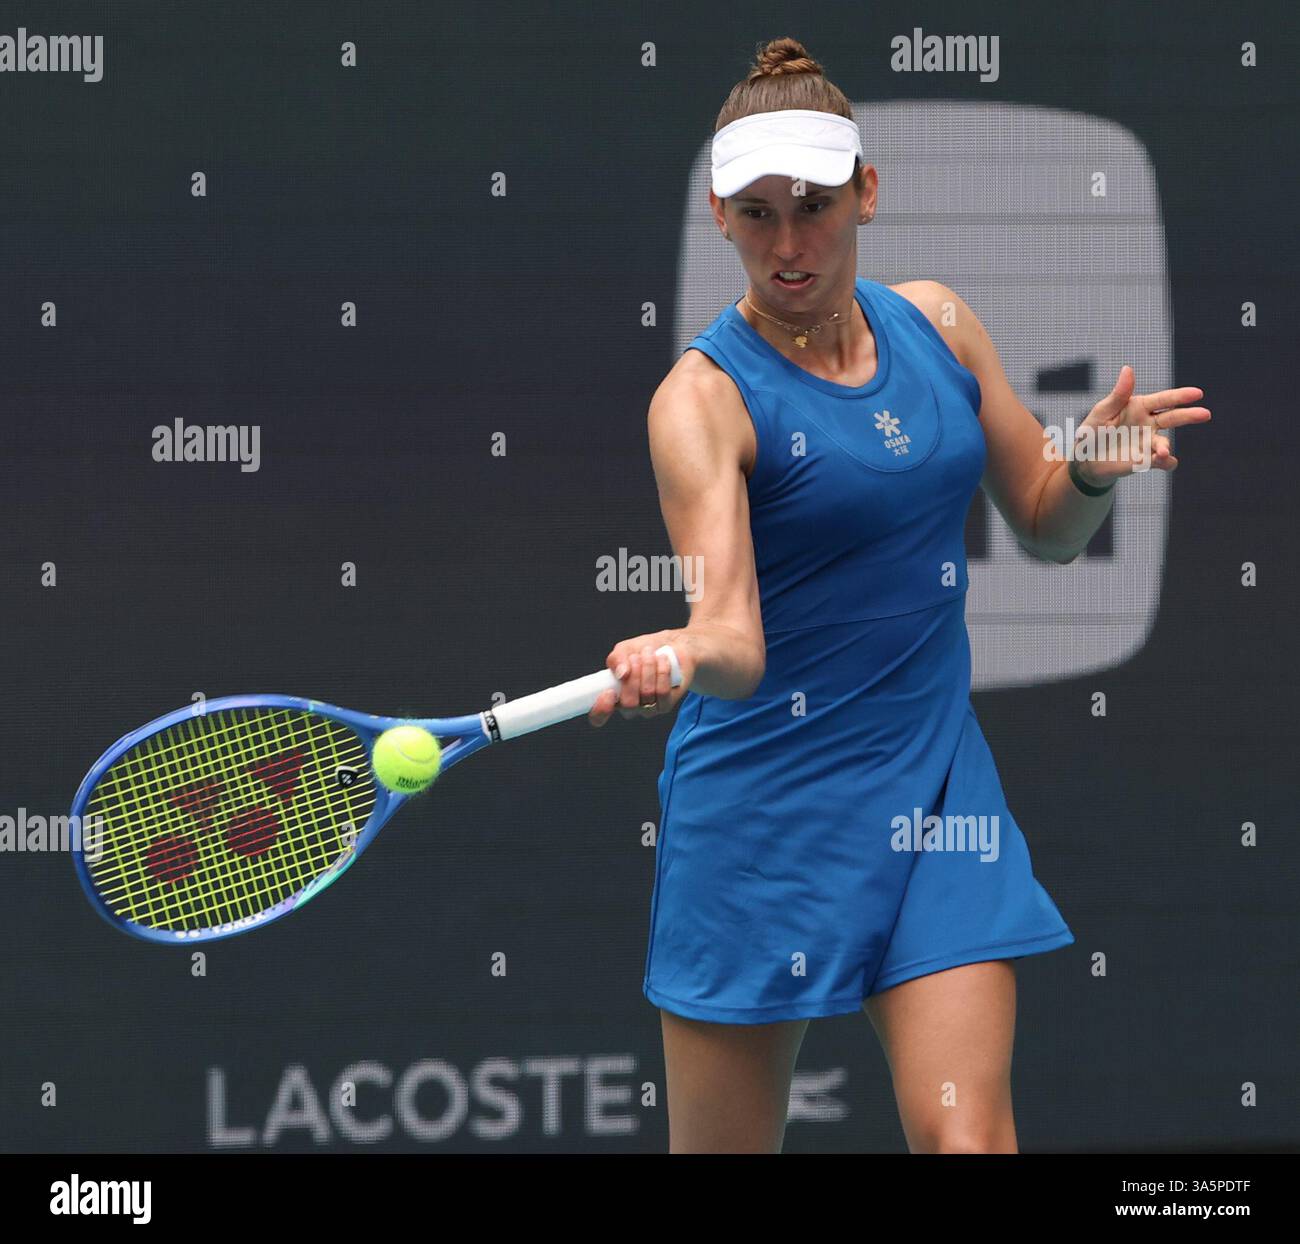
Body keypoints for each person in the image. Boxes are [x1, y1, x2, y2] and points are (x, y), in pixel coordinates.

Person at [588, 36, 1210, 1154]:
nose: (788, 242)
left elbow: (1043, 518)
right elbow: (734, 636)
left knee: (967, 1140)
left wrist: (1092, 469)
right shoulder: (699, 400)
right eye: (757, 211)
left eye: (815, 205)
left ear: (867, 192)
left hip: (931, 788)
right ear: (720, 217)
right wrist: (678, 652)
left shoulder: (939, 325)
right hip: (761, 817)